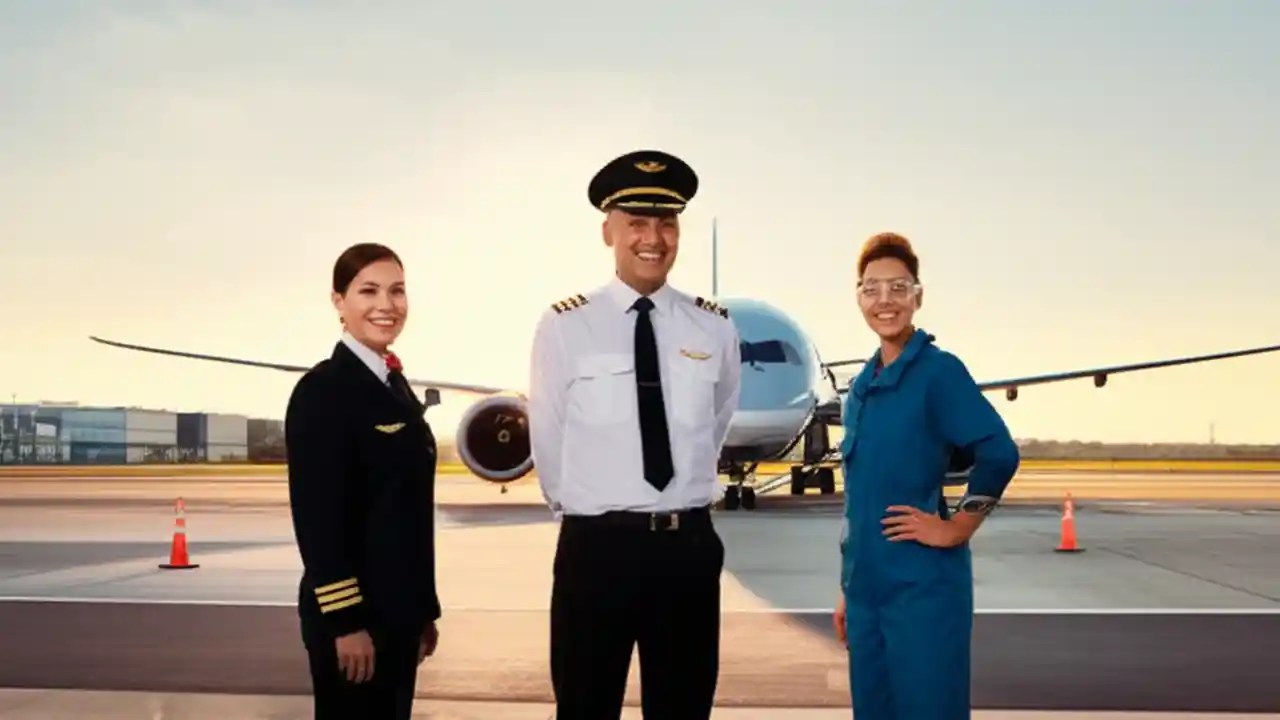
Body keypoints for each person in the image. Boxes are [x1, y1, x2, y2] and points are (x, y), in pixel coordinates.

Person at [527, 149, 742, 719]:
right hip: (597, 550)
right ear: (608, 231)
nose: (654, 238)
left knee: (683, 710)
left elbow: (715, 425)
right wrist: (591, 513)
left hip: (687, 550)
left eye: (667, 223)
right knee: (584, 707)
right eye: (637, 223)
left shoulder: (713, 327)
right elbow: (547, 437)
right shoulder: (565, 326)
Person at [832, 232, 1020, 719]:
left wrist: (956, 526)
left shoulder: (939, 373)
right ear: (858, 297)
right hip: (867, 593)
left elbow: (998, 454)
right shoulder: (860, 391)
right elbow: (860, 502)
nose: (885, 301)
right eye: (872, 289)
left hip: (923, 593)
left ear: (918, 296)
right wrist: (847, 590)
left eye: (898, 288)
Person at [284, 242, 441, 720]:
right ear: (339, 301)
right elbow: (318, 520)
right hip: (358, 623)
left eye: (397, 291)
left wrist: (423, 609)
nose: (386, 305)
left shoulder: (391, 384)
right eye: (368, 290)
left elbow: (406, 512)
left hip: (398, 617)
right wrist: (346, 623)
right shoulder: (324, 390)